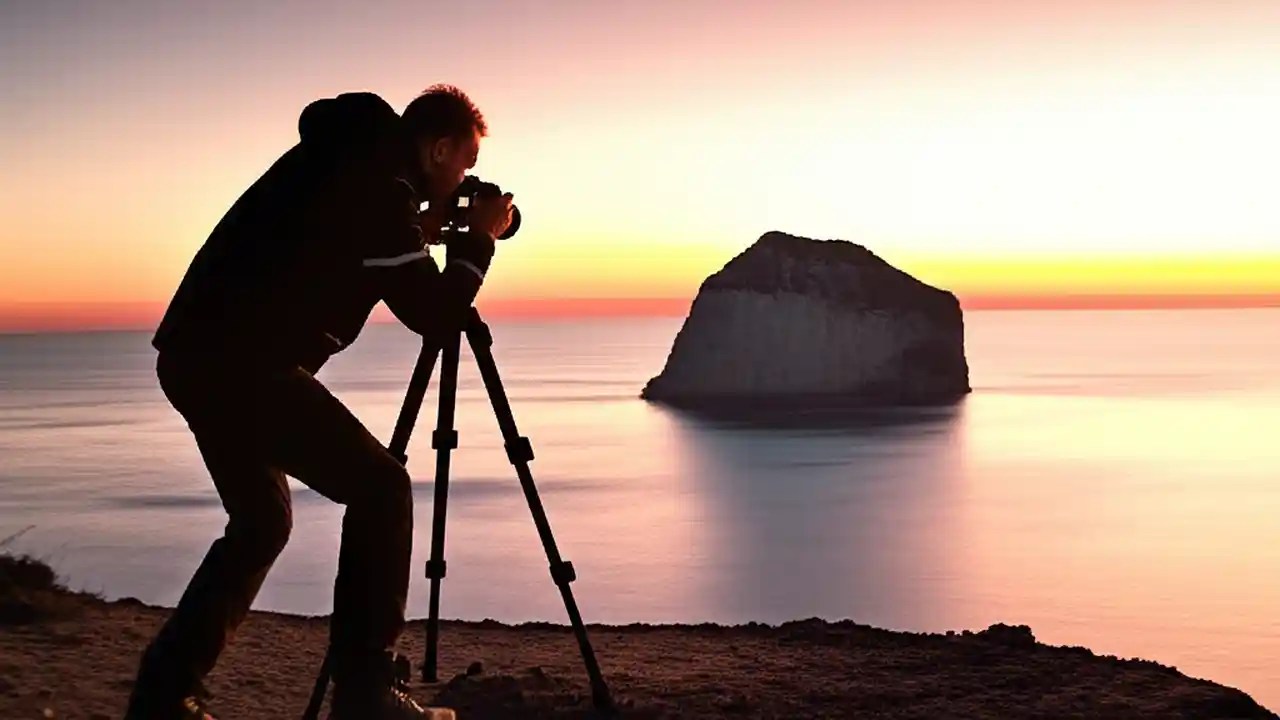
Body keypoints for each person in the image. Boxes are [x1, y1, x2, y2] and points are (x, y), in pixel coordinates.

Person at [125, 85, 513, 720]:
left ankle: (163, 695)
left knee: (261, 524)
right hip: (242, 364)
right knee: (381, 489)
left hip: (199, 357)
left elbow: (325, 248)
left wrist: (422, 231)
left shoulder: (352, 165)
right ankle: (365, 695)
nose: (466, 177)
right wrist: (477, 243)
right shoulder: (378, 186)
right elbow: (436, 314)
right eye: (464, 163)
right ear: (438, 148)